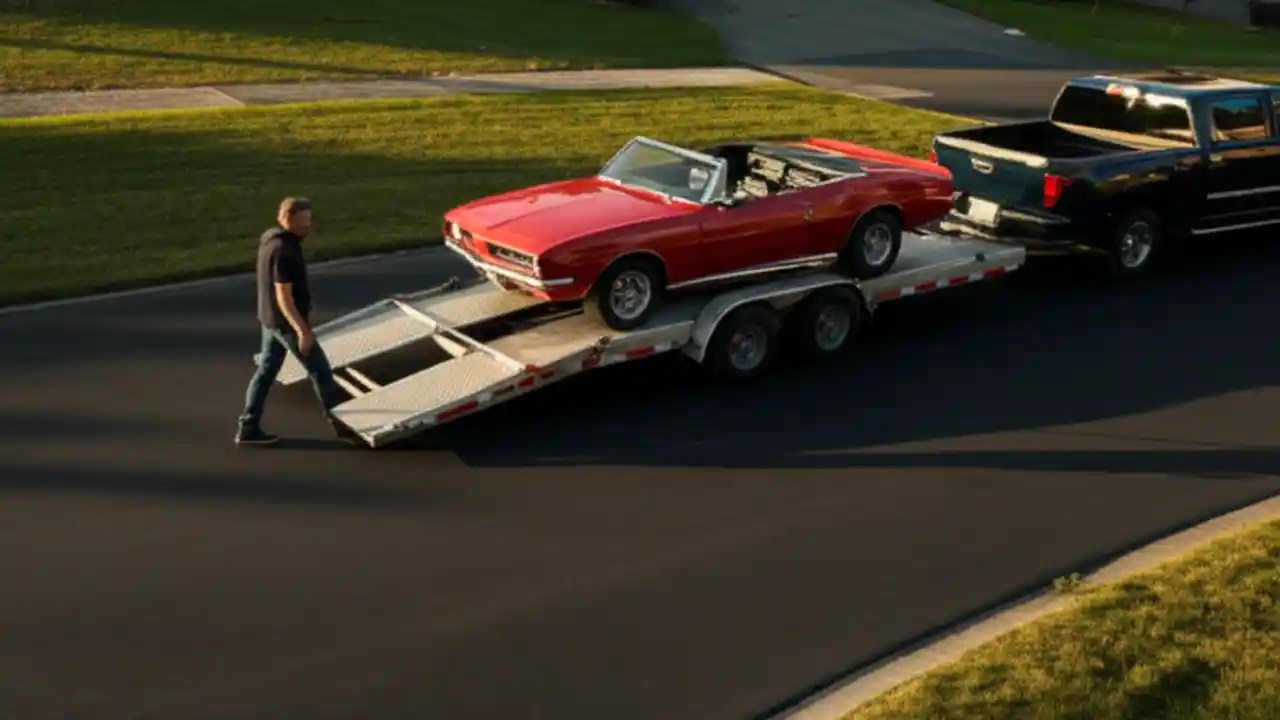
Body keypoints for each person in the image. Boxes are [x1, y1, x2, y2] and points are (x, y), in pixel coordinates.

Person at [235, 196, 352, 446]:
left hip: (269, 320)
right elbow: (284, 297)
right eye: (305, 220)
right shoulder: (285, 252)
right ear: (290, 219)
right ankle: (344, 426)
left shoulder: (270, 237)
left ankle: (248, 426)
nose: (310, 225)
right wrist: (302, 331)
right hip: (287, 323)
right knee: (319, 371)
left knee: (266, 371)